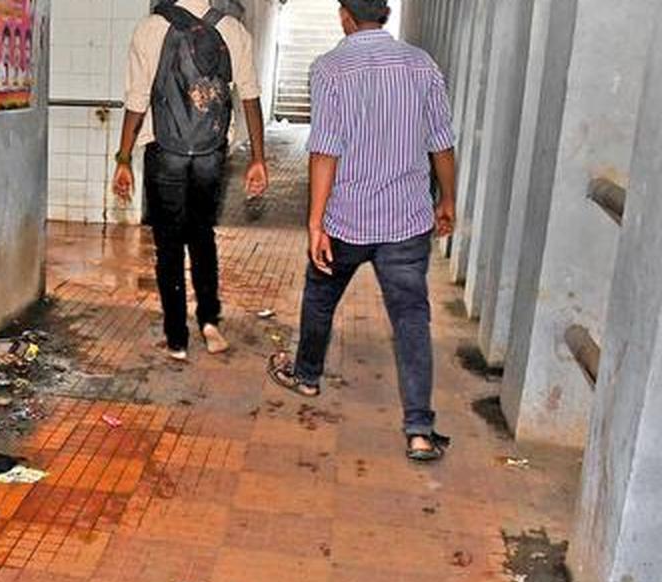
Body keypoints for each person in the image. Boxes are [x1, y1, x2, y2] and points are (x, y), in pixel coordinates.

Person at [267, 0, 457, 462]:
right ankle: (419, 429)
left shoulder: (330, 69)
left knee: (320, 297)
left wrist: (315, 222)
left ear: (344, 15)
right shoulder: (422, 65)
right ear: (386, 12)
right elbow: (441, 142)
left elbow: (325, 150)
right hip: (406, 220)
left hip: (346, 220)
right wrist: (448, 200)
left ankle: (307, 376)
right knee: (411, 318)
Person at [113, 0, 269, 362]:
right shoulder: (233, 30)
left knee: (168, 243)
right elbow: (250, 98)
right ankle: (210, 322)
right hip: (210, 152)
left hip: (164, 151)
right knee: (202, 235)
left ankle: (177, 338)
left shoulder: (151, 28)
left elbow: (137, 100)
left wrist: (123, 158)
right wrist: (258, 159)